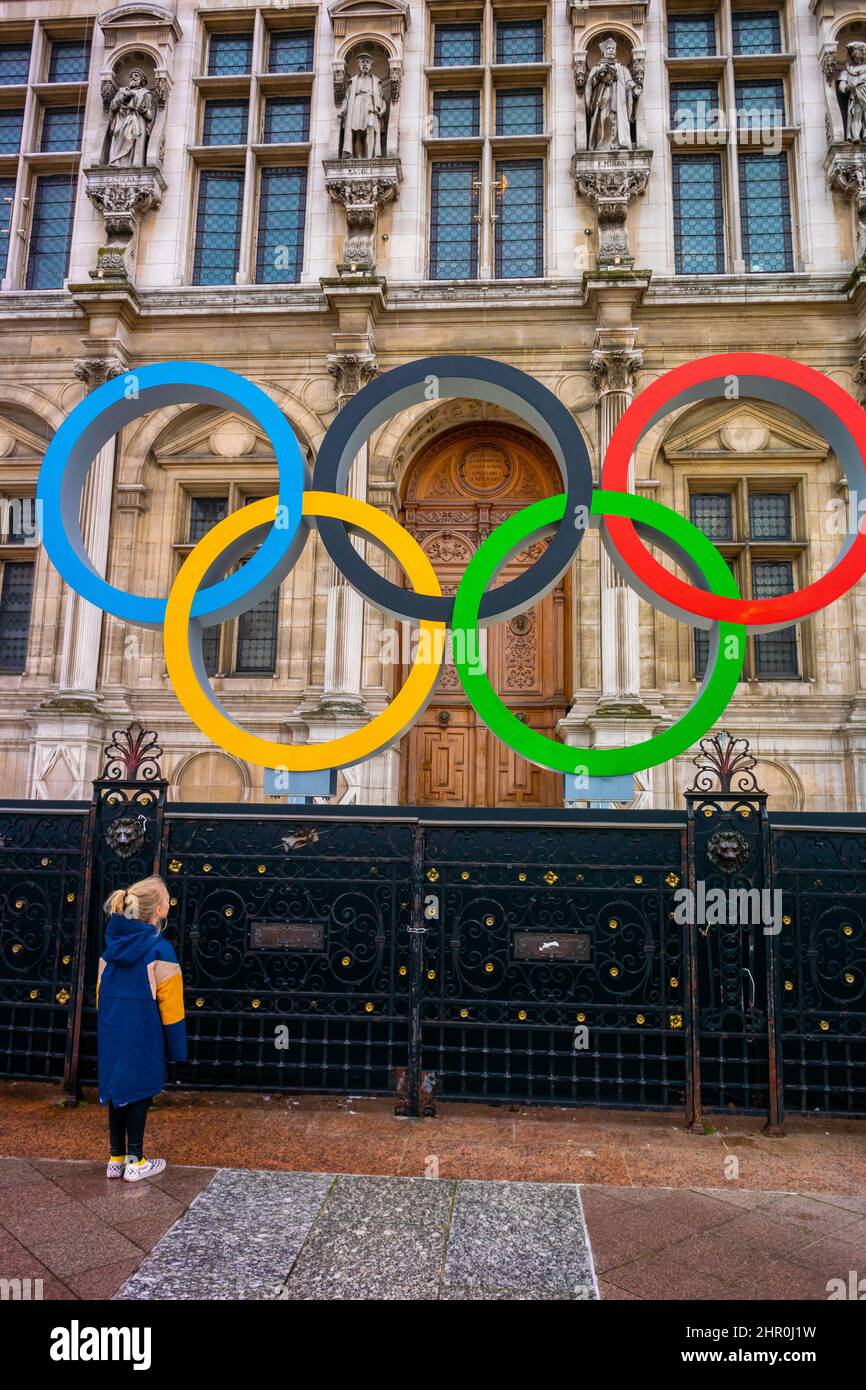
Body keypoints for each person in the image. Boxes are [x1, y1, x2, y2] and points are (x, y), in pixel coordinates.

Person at [98, 875, 186, 1182]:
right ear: (158, 910)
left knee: (116, 1091)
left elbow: (100, 995)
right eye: (166, 900)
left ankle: (115, 1158)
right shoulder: (160, 950)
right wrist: (177, 1047)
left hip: (113, 1031)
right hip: (144, 1032)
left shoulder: (110, 950)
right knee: (139, 1094)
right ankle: (136, 1161)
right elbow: (171, 1007)